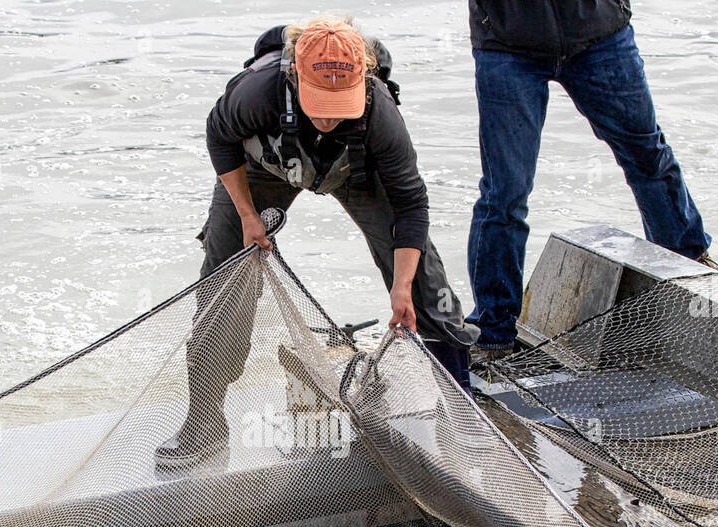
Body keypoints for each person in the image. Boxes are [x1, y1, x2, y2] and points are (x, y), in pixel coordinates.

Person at [156, 15, 479, 469]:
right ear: (293, 78)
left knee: (424, 281)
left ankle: (463, 408)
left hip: (355, 170)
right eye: (318, 102)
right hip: (265, 167)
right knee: (223, 284)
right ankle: (204, 423)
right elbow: (219, 135)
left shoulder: (379, 111)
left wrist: (402, 285)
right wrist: (248, 216)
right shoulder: (258, 90)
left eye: (340, 104)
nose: (327, 117)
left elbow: (411, 204)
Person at [466, 1, 717, 358]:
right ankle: (492, 332)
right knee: (504, 191)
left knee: (647, 155)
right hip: (506, 42)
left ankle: (689, 268)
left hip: (598, 32)